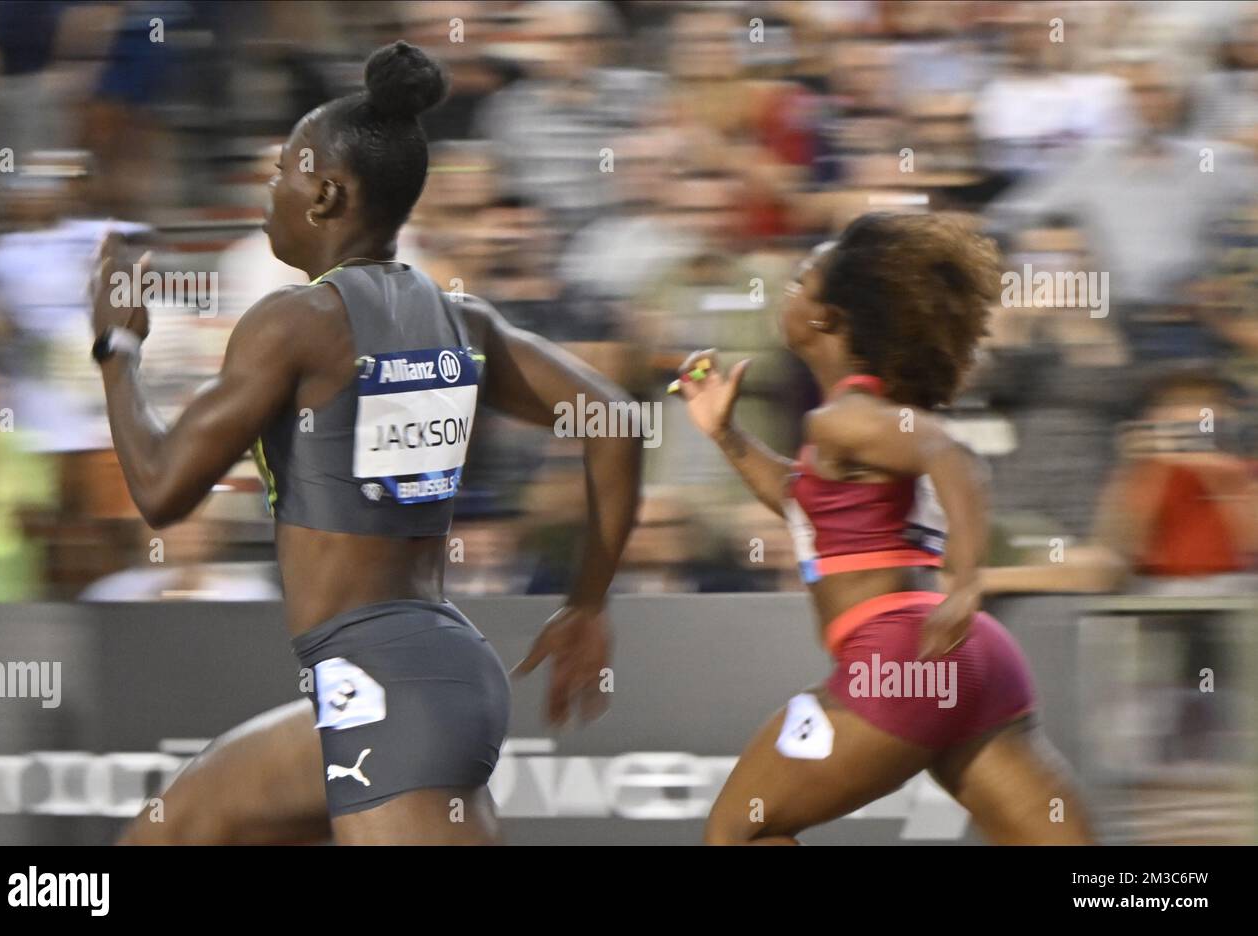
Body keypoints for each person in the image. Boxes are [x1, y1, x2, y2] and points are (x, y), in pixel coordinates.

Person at [94, 41, 641, 845]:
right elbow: (618, 421)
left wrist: (118, 350)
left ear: (325, 194)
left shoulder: (293, 322)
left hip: (388, 687)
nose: (266, 186)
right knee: (171, 831)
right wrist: (588, 603)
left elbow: (162, 489)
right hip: (405, 676)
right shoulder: (464, 319)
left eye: (281, 170)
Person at [680, 213, 1091, 845]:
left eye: (797, 284)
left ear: (826, 318)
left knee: (739, 830)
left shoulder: (845, 420)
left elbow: (956, 460)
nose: (783, 295)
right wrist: (727, 434)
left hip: (898, 660)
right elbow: (802, 503)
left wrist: (965, 581)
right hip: (977, 665)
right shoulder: (870, 423)